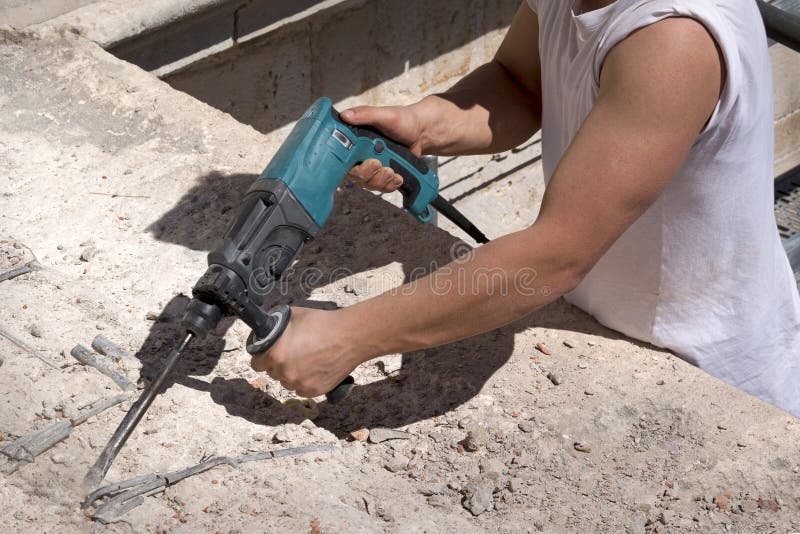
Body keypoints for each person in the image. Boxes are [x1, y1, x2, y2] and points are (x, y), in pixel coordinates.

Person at [251, 0, 800, 416]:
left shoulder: (673, 39)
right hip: (603, 328)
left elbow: (555, 255)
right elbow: (520, 83)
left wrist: (348, 336)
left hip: (702, 375)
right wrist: (425, 122)